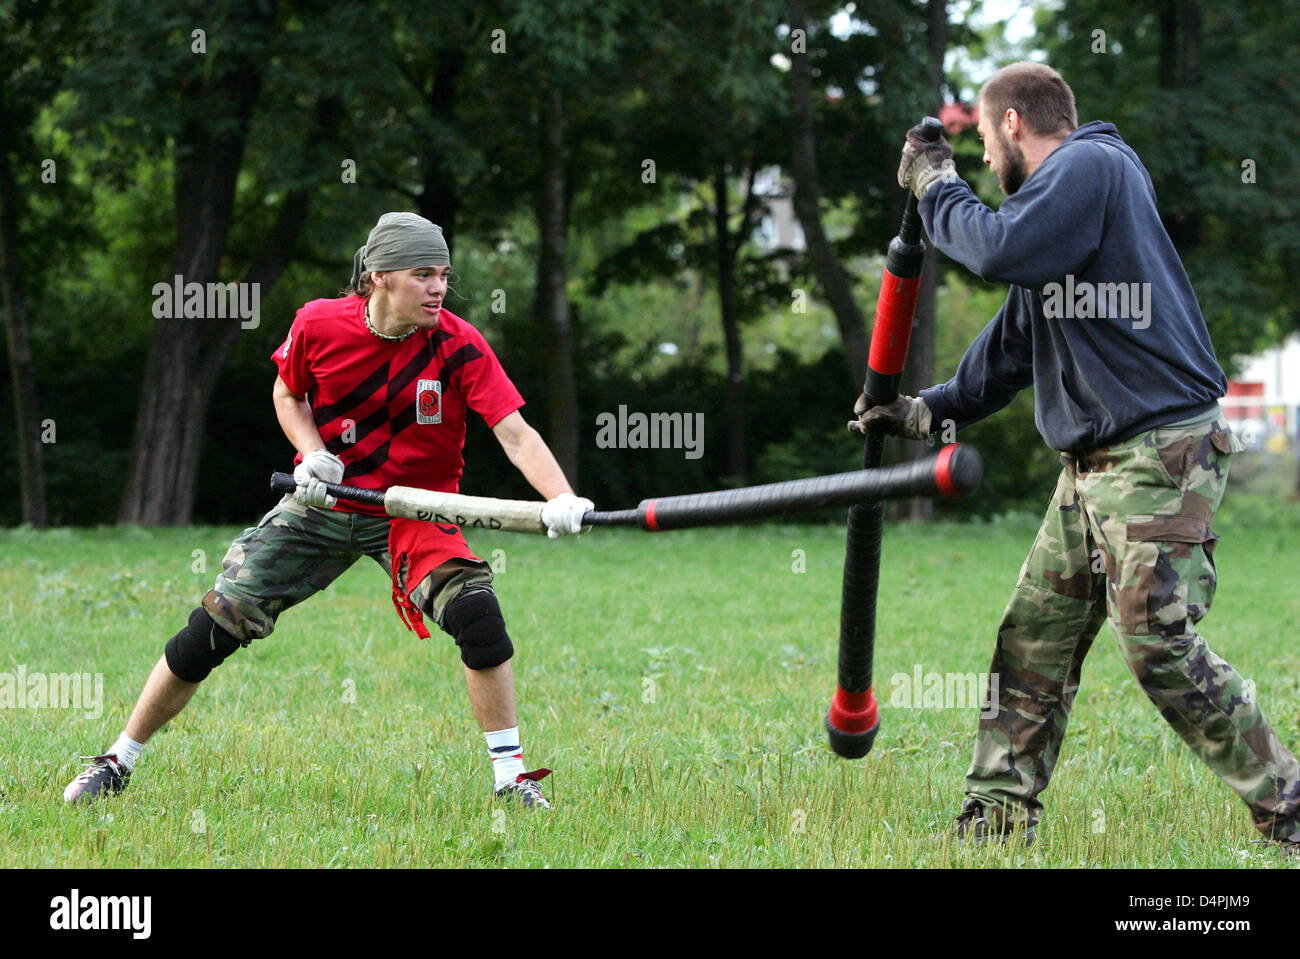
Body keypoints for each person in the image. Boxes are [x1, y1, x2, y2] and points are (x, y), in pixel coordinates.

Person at [858, 61, 1300, 851]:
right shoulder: (1055, 222)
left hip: (1159, 451)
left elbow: (995, 249)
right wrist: (928, 408)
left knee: (1156, 638)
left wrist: (934, 186)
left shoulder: (1094, 166)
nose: (988, 163)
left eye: (989, 144)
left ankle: (1289, 803)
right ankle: (996, 817)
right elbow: (1010, 347)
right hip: (1095, 465)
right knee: (1034, 635)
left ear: (1016, 125)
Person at [65, 212, 592, 811]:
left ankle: (511, 780)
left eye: (444, 275)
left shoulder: (458, 344)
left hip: (412, 513)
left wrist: (560, 499)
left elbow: (515, 432)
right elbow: (287, 391)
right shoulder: (318, 323)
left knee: (479, 617)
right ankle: (117, 760)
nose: (439, 288)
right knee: (210, 631)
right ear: (378, 277)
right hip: (320, 504)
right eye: (423, 274)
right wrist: (312, 455)